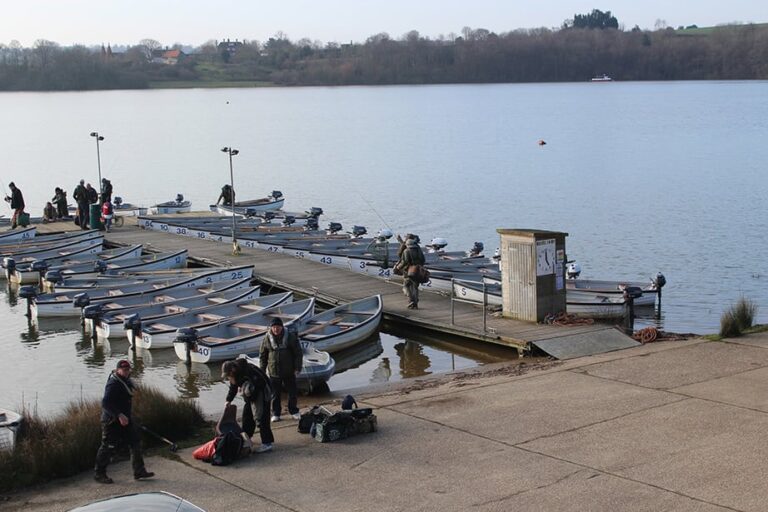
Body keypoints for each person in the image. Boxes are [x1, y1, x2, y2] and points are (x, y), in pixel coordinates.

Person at [94, 360, 154, 484]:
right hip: (111, 422)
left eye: (128, 369)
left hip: (125, 420)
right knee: (107, 447)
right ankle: (99, 474)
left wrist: (127, 416)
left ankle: (139, 471)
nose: (127, 372)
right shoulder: (113, 384)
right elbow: (105, 403)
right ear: (118, 370)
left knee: (135, 442)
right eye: (124, 370)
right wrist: (119, 415)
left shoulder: (126, 381)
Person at [222, 358, 275, 454]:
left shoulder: (248, 370)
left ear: (233, 370)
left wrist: (249, 391)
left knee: (262, 417)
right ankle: (247, 438)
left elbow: (261, 383)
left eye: (229, 375)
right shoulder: (234, 374)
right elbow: (233, 387)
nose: (228, 377)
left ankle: (267, 443)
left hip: (262, 393)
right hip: (251, 395)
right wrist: (228, 400)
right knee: (247, 416)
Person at [259, 317, 302, 422]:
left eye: (278, 327)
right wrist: (262, 371)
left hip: (289, 371)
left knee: (292, 393)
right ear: (271, 328)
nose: (276, 329)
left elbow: (298, 354)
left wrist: (297, 368)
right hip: (274, 372)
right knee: (275, 395)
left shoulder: (290, 337)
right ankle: (276, 413)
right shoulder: (266, 339)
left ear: (282, 327)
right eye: (273, 327)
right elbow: (263, 356)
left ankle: (294, 411)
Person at [397, 236, 426, 309]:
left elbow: (405, 262)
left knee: (406, 286)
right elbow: (423, 260)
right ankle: (415, 303)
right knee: (415, 287)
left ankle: (410, 299)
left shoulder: (406, 251)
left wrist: (398, 267)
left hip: (409, 271)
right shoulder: (418, 250)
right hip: (418, 270)